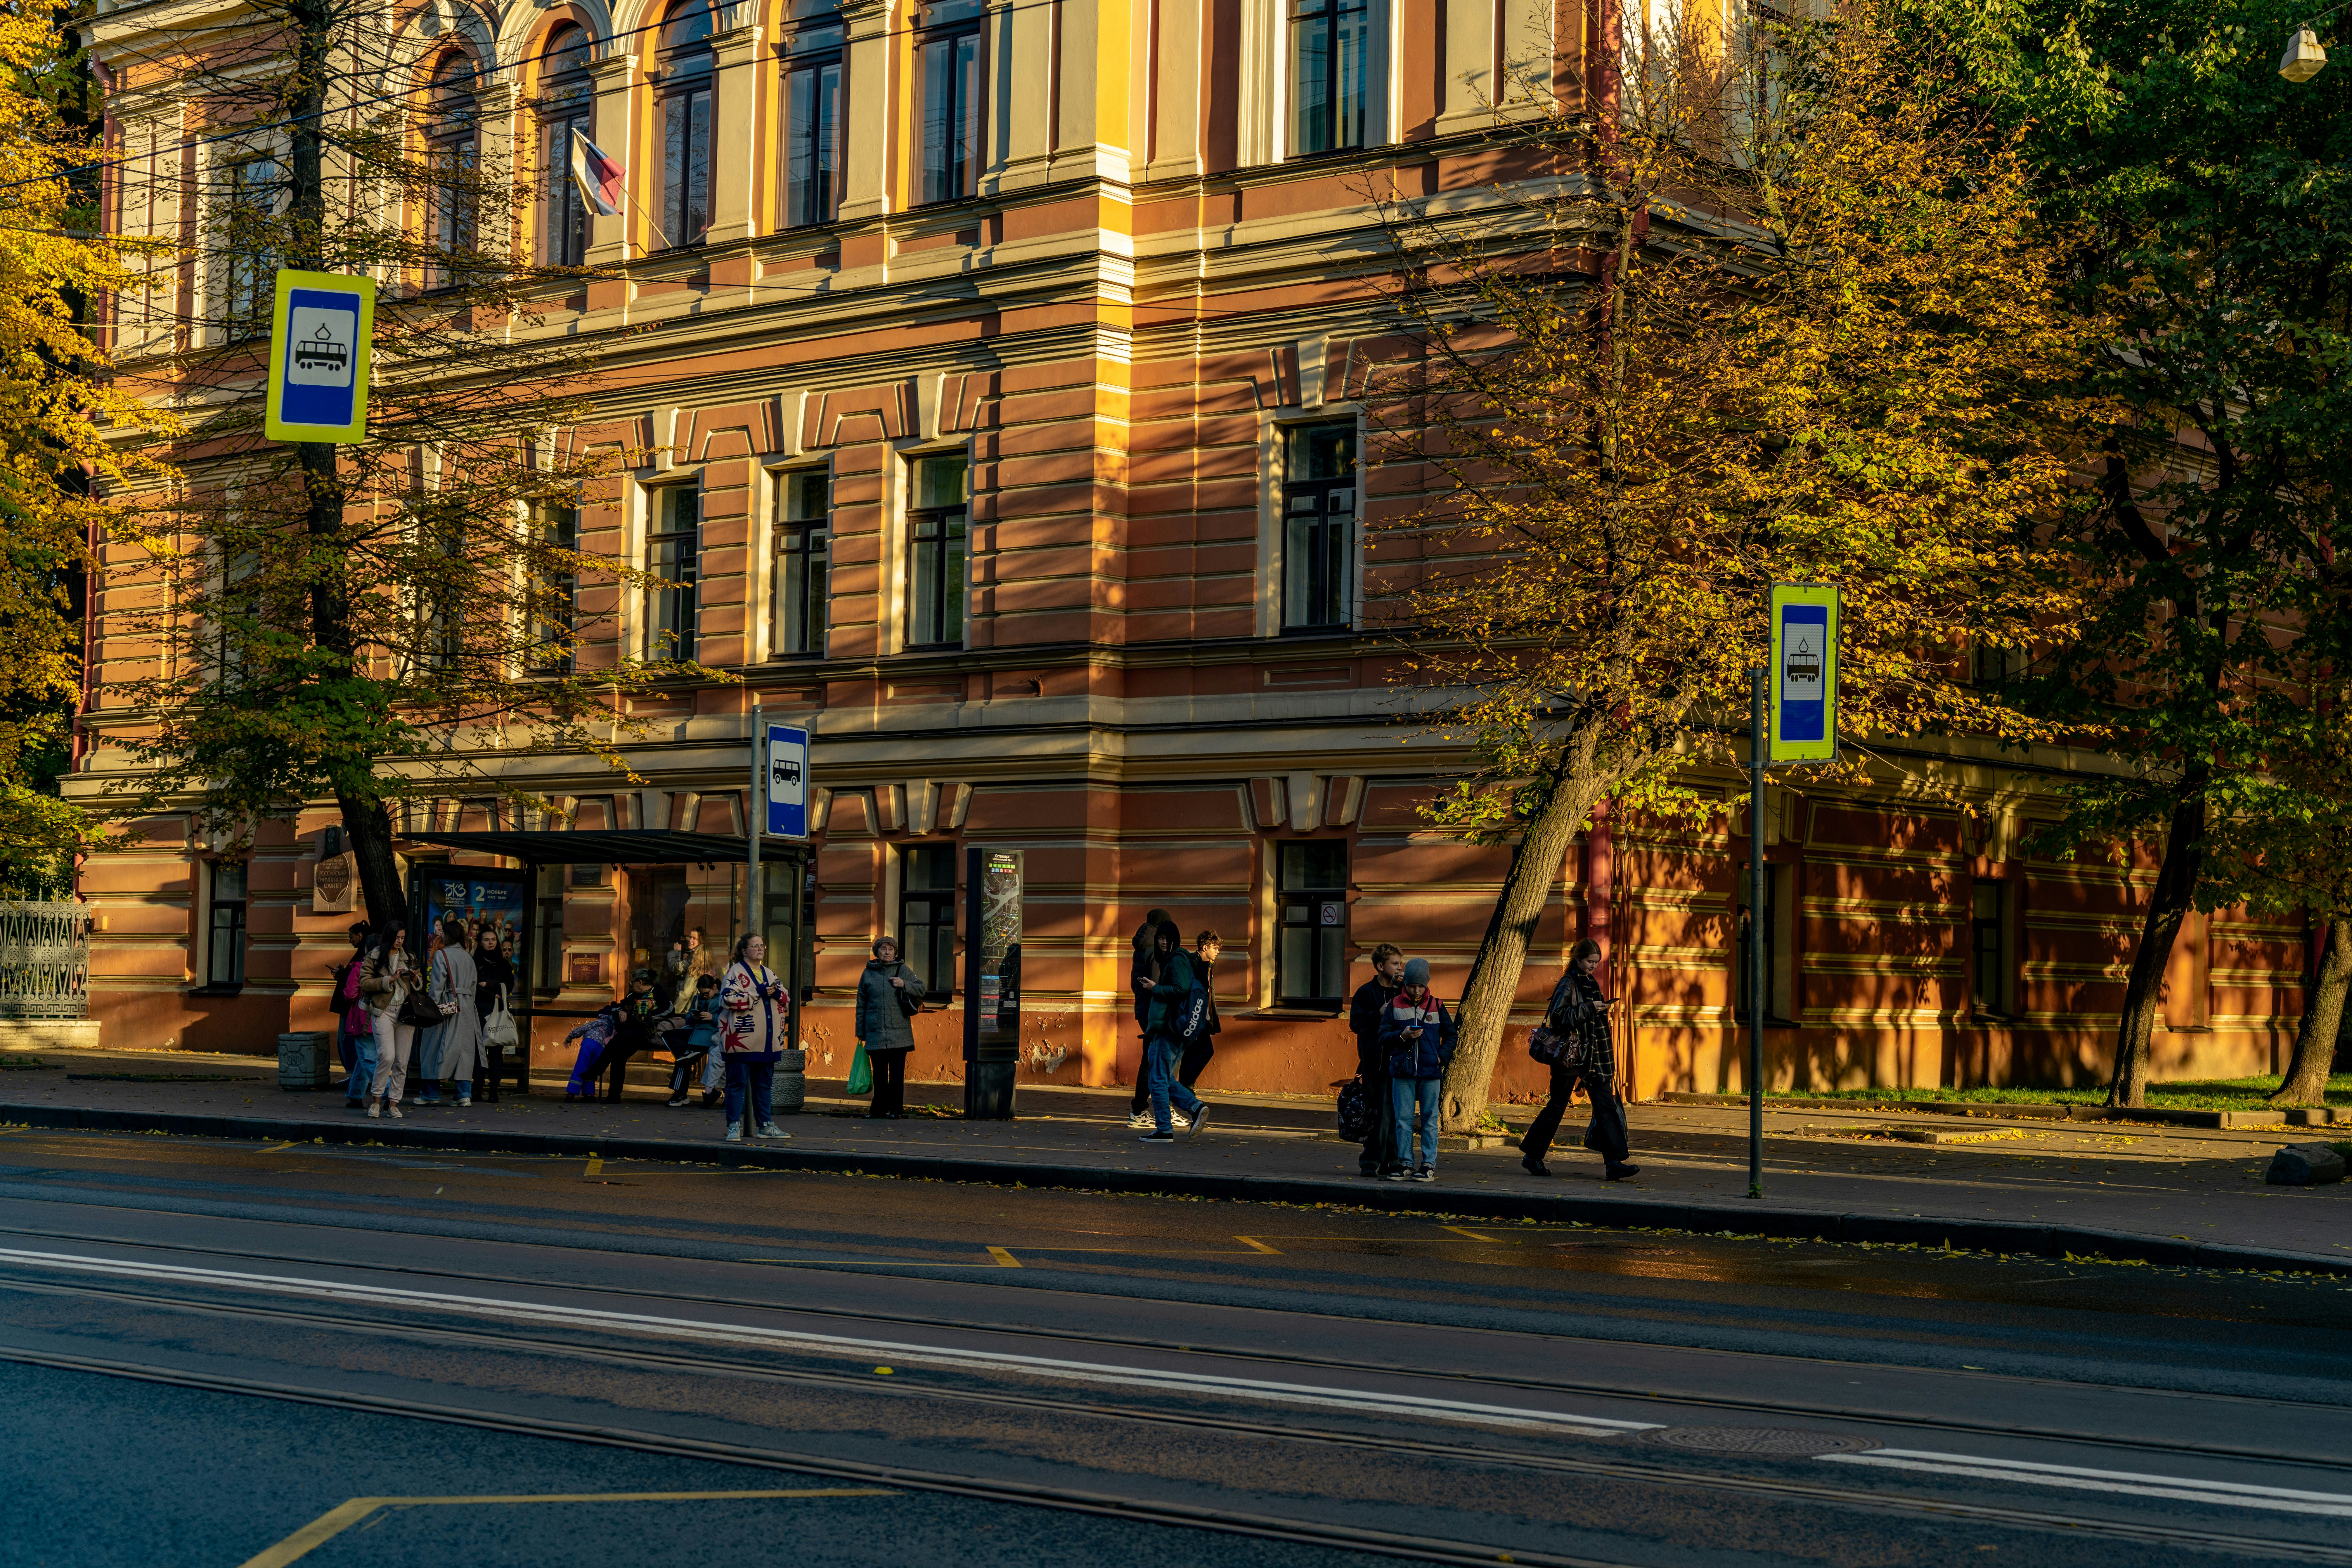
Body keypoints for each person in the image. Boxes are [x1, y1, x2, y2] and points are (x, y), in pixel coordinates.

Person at [1521, 938, 1639, 1181]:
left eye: (1596, 962)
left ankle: (1614, 1163)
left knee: (1606, 1106)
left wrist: (1600, 1008)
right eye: (1590, 961)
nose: (1593, 966)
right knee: (1557, 1107)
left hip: (1594, 1057)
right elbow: (1559, 1017)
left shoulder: (1590, 981)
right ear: (1578, 959)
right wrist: (1589, 1008)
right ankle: (1532, 1155)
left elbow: (1592, 1018)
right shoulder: (1569, 982)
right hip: (1570, 1055)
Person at [1378, 957, 1456, 1182]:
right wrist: (1401, 1036)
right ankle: (1405, 1163)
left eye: (1420, 986)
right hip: (1402, 1072)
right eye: (1412, 986)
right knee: (1403, 1120)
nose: (1416, 990)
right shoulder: (1395, 1006)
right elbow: (1382, 1036)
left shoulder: (1437, 1006)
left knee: (1430, 1119)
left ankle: (1428, 1164)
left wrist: (1440, 1058)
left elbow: (1451, 1036)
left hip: (1430, 1072)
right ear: (1406, 984)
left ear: (1426, 984)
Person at [1139, 920, 1210, 1143]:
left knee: (1158, 1081)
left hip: (1169, 1030)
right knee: (1162, 1079)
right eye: (1160, 938)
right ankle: (1196, 1107)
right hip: (1167, 1030)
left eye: (1167, 939)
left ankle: (1164, 1130)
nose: (1163, 942)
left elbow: (1182, 989)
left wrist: (1155, 988)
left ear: (1175, 940)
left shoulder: (1177, 959)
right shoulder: (1174, 959)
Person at [719, 933, 792, 1142]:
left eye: (762, 945)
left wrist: (777, 995)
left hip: (768, 1042)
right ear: (744, 951)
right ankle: (734, 1126)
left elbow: (785, 998)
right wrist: (756, 993)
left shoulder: (769, 972)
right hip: (742, 1041)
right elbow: (728, 1000)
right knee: (737, 1084)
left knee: (764, 1085)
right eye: (755, 946)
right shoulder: (736, 972)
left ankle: (766, 1126)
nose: (760, 949)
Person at [1348, 944, 1407, 1177]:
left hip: (1400, 1063)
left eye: (1401, 964)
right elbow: (1356, 1024)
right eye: (1395, 964)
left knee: (1395, 1113)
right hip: (1376, 1064)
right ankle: (1371, 1160)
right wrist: (1378, 1014)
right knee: (1379, 1113)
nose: (1399, 968)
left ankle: (1392, 1161)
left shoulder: (1402, 992)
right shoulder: (1366, 992)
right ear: (1381, 966)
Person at [416, 917, 483, 1108]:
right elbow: (473, 987)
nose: (442, 936)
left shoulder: (442, 955)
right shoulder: (469, 958)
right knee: (464, 1051)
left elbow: (436, 987)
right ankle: (464, 1094)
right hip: (467, 1007)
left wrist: (430, 1010)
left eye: (444, 933)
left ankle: (430, 1093)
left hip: (446, 1007)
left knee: (434, 1047)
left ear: (449, 935)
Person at [855, 936, 920, 1118]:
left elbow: (922, 988)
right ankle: (878, 1111)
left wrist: (904, 984)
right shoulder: (868, 973)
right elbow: (861, 1004)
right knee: (880, 1077)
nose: (887, 953)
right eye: (884, 949)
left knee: (897, 1076)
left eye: (891, 950)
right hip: (875, 1033)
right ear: (877, 952)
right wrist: (861, 1031)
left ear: (895, 953)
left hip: (899, 1034)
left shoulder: (902, 970)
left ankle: (896, 1111)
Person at [358, 924, 418, 1119]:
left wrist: (416, 979)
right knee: (387, 1056)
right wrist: (390, 980)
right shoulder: (374, 956)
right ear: (389, 937)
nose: (400, 941)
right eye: (397, 937)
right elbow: (365, 982)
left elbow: (419, 983)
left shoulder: (409, 956)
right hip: (383, 1011)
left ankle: (394, 1104)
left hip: (406, 1013)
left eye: (403, 937)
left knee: (402, 1061)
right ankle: (376, 1101)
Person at [1125, 906, 1177, 1130]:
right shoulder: (1156, 951)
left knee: (1151, 1058)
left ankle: (1144, 1108)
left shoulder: (1141, 947)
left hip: (1144, 1010)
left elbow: (1136, 983)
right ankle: (1141, 1109)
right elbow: (1159, 986)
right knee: (1156, 1060)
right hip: (1155, 1013)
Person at [470, 926, 513, 1104]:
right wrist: (493, 992)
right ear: (480, 942)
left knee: (496, 1054)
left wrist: (488, 983)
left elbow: (509, 986)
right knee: (479, 1054)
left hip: (498, 1013)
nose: (491, 943)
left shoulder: (504, 964)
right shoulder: (475, 962)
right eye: (487, 940)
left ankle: (494, 1090)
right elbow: (475, 987)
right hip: (480, 1012)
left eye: (494, 940)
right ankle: (477, 1089)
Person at [331, 921, 372, 1108]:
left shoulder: (362, 961)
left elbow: (351, 991)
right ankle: (356, 1093)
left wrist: (342, 975)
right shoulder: (364, 959)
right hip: (364, 1013)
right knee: (364, 1054)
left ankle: (388, 1091)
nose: (350, 941)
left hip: (356, 1013)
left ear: (361, 936)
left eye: (351, 937)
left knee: (363, 1054)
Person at [667, 973, 723, 1106]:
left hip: (710, 1035)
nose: (704, 995)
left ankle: (680, 1094)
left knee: (684, 1060)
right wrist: (693, 1017)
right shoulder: (698, 998)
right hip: (695, 1032)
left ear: (715, 987)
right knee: (669, 1036)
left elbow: (728, 1019)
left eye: (706, 993)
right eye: (701, 993)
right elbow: (688, 1017)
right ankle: (681, 1093)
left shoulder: (723, 999)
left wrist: (713, 1018)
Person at [1179, 929, 1224, 1095]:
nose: (1218, 952)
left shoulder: (1207, 966)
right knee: (1206, 1051)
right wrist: (1200, 1017)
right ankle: (1184, 1086)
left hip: (1200, 1017)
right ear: (1205, 948)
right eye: (1215, 948)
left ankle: (1185, 1088)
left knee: (1190, 1053)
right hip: (1195, 1017)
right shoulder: (1195, 964)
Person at [560, 1002, 625, 1100]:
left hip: (590, 1042)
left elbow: (585, 1028)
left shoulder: (602, 1021)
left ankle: (571, 1093)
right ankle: (589, 1095)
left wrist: (571, 1036)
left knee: (581, 1066)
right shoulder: (615, 1025)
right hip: (602, 1047)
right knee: (591, 1069)